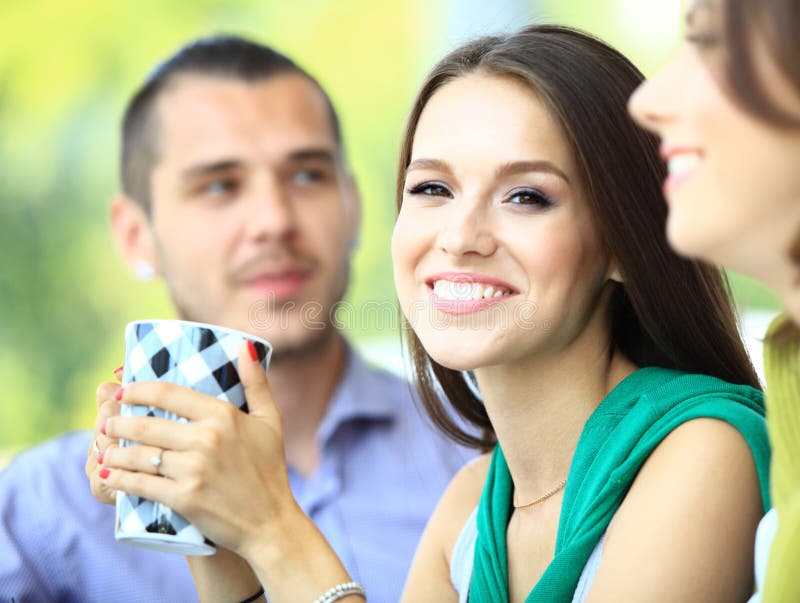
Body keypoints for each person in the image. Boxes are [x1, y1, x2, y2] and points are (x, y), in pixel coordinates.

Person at [91, 25, 773, 603]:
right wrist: (210, 522)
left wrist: (274, 525)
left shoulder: (705, 449)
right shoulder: (472, 506)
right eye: (432, 188)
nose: (460, 235)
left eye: (527, 196)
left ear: (623, 244)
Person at [0, 35, 470, 603]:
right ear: (135, 235)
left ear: (354, 208)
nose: (273, 220)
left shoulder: (484, 460)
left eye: (306, 175)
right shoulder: (45, 514)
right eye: (219, 185)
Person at [627, 1, 800, 600]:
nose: (646, 103)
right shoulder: (791, 370)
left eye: (707, 45)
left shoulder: (707, 445)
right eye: (429, 187)